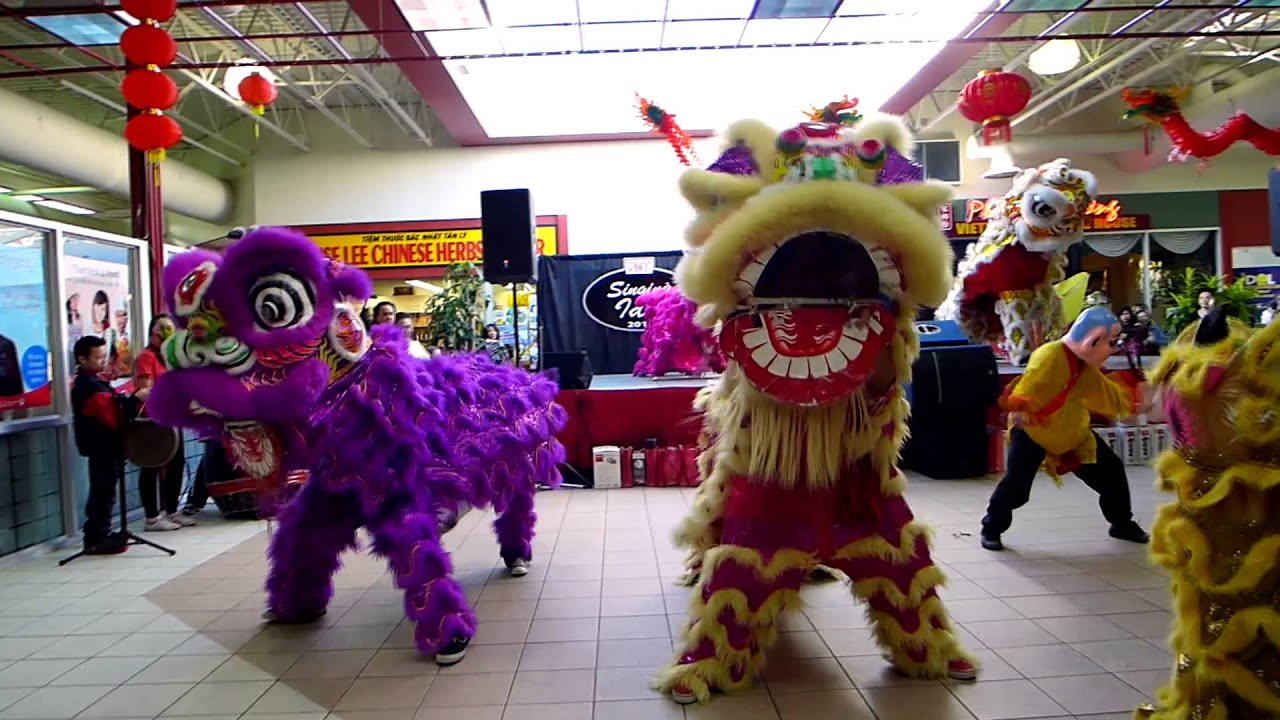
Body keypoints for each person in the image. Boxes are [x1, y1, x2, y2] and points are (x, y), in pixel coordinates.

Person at [981, 306, 1152, 551]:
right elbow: (1028, 387)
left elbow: (1106, 394)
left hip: (1072, 431)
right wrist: (1019, 409)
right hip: (1033, 430)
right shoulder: (1049, 355)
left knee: (1111, 472)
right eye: (1110, 342)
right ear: (1093, 340)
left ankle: (1121, 523)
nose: (1113, 349)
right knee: (1016, 486)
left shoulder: (1086, 368)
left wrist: (1134, 402)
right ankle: (991, 528)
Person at [71, 335, 145, 554]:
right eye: (98, 357)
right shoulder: (87, 386)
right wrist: (134, 399)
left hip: (107, 447)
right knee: (102, 491)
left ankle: (102, 533)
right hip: (100, 446)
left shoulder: (95, 382)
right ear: (82, 359)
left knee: (106, 490)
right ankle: (96, 537)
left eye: (104, 356)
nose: (103, 360)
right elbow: (111, 414)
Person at [134, 314, 189, 531]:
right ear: (152, 333)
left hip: (173, 416)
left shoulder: (171, 358)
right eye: (161, 329)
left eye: (170, 328)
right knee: (152, 465)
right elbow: (144, 390)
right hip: (153, 419)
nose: (167, 333)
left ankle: (172, 510)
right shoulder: (146, 357)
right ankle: (152, 516)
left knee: (176, 464)